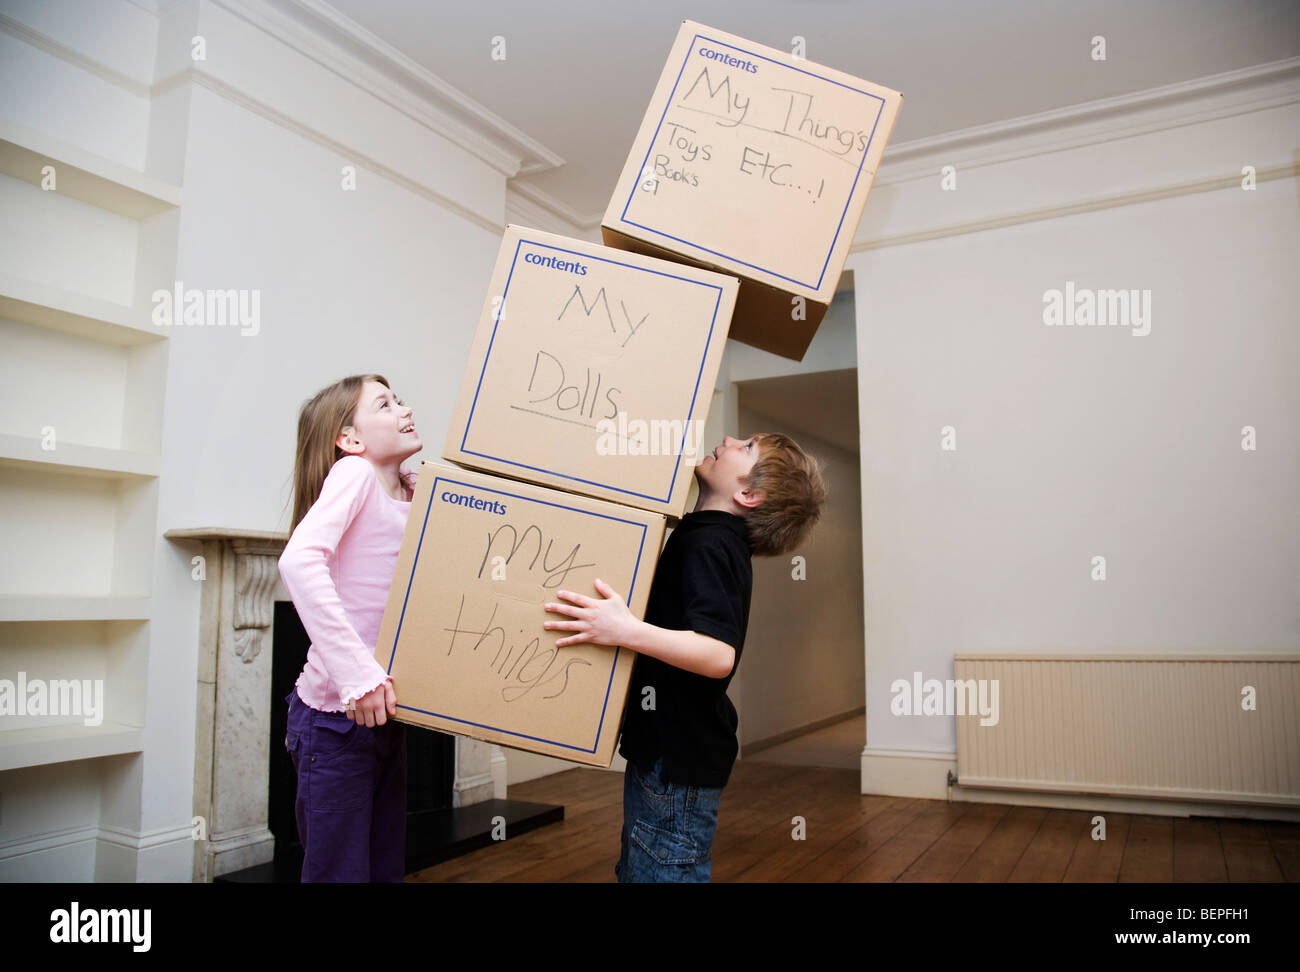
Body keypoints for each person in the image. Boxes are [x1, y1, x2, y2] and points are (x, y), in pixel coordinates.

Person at [543, 432, 827, 882]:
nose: (730, 438)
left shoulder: (711, 544)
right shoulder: (704, 533)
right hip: (665, 753)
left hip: (675, 765)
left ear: (748, 494)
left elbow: (718, 655)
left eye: (747, 446)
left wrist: (625, 630)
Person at [278, 373, 422, 882]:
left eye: (399, 399)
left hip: (383, 711)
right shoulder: (354, 474)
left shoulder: (407, 492)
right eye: (384, 404)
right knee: (339, 873)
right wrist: (357, 675)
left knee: (383, 867)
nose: (404, 409)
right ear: (351, 439)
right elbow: (298, 563)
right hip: (336, 718)